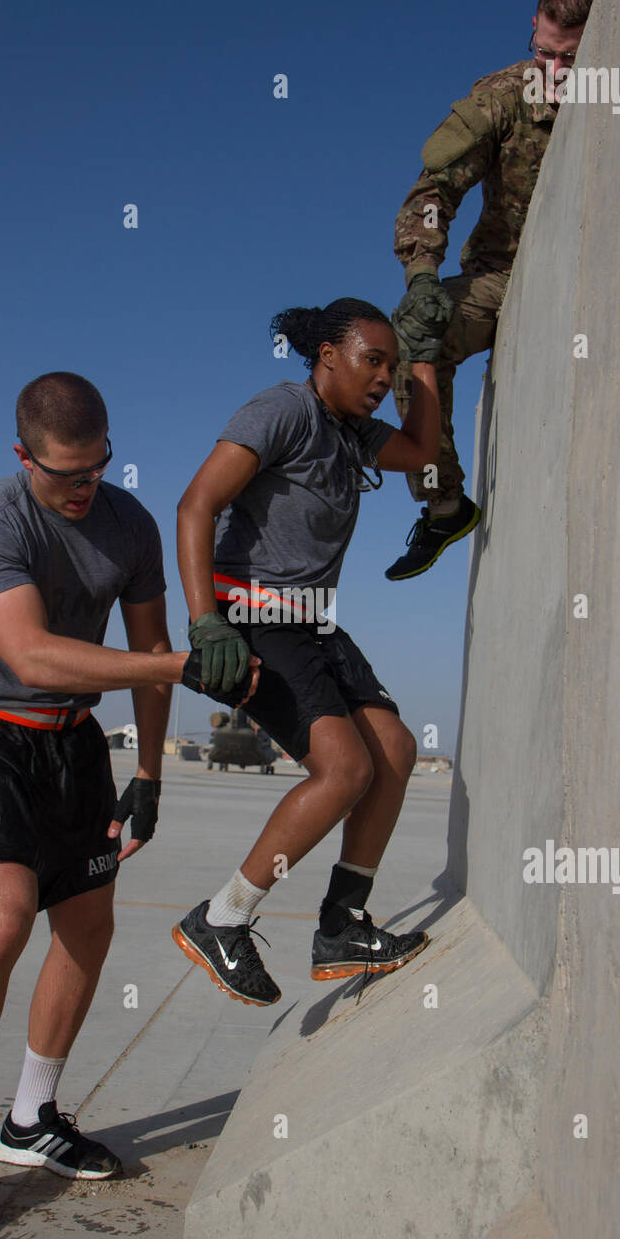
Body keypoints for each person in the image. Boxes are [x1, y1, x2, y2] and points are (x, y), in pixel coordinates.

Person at [0, 371, 240, 1239]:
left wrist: (151, 772)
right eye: (65, 475)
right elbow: (34, 655)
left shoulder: (131, 525)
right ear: (24, 457)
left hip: (73, 744)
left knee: (87, 928)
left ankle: (30, 1118)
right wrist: (173, 671)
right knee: (4, 920)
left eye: (98, 469)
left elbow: (153, 646)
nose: (85, 489)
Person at [172, 298, 448, 1005]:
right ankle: (222, 917)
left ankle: (342, 923)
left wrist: (427, 361)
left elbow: (420, 452)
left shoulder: (354, 435)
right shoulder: (283, 409)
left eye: (389, 365)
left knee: (393, 750)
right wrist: (206, 624)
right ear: (328, 355)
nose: (382, 377)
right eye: (372, 360)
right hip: (253, 617)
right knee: (343, 768)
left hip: (317, 621)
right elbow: (195, 504)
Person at [385, 0, 596, 580]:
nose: (555, 75)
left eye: (573, 60)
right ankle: (444, 504)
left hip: (581, 280)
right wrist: (423, 273)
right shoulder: (502, 96)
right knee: (408, 343)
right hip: (503, 279)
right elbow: (434, 191)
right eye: (545, 53)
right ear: (533, 30)